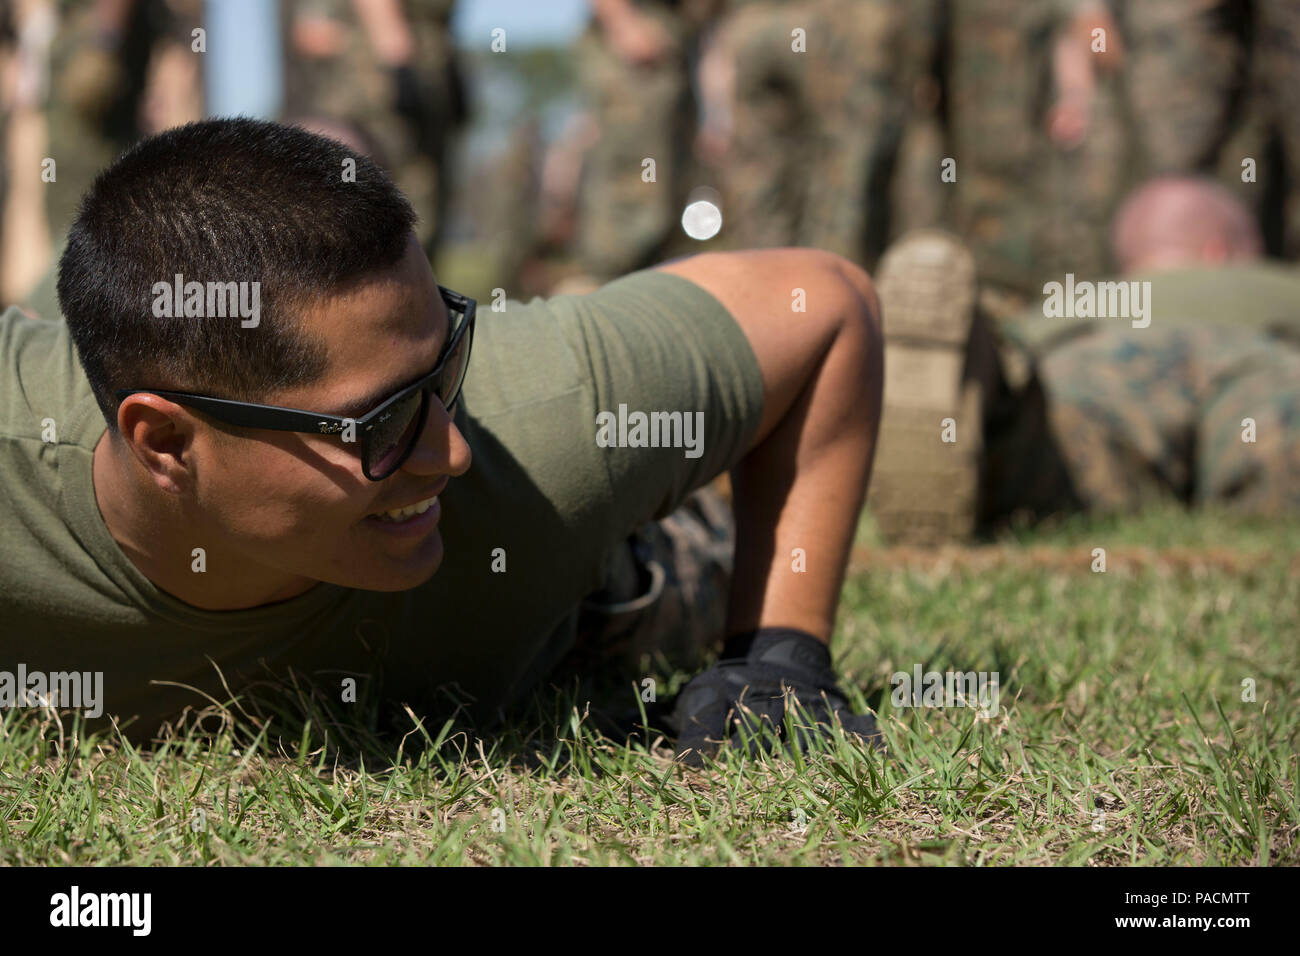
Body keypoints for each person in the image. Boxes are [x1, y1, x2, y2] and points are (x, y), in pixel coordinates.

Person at [0, 118, 885, 764]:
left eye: (443, 366)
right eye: (377, 423)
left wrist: (780, 657)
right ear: (164, 443)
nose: (448, 452)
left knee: (689, 564)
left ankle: (993, 404)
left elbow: (826, 304)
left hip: (602, 588)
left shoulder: (545, 423)